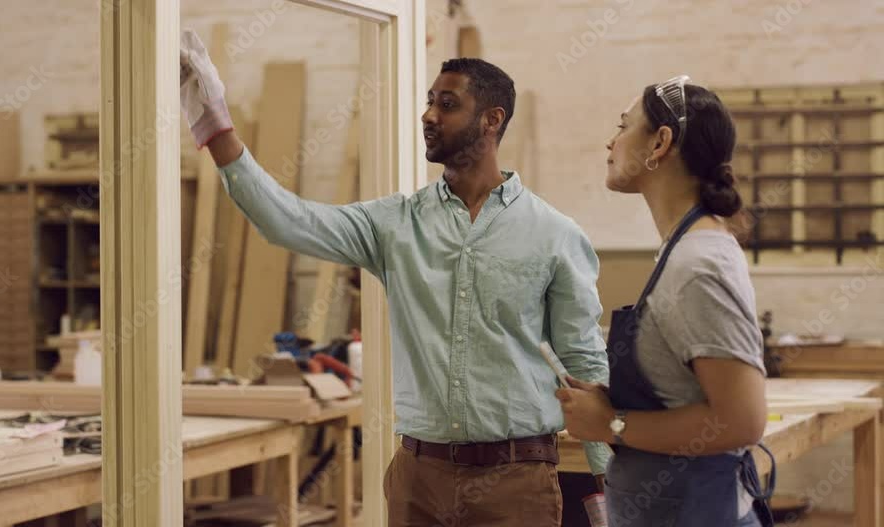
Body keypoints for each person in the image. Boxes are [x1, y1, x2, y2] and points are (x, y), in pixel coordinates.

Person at [180, 30, 613, 526]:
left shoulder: (555, 235)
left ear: (492, 120)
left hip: (516, 480)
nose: (429, 115)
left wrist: (605, 481)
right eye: (430, 102)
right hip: (418, 479)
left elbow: (583, 360)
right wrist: (216, 125)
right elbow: (287, 220)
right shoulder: (393, 224)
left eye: (447, 104)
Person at [555, 75, 775, 527]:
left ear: (660, 143)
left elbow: (742, 422)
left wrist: (612, 422)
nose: (610, 142)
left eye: (622, 126)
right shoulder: (684, 248)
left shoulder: (699, 264)